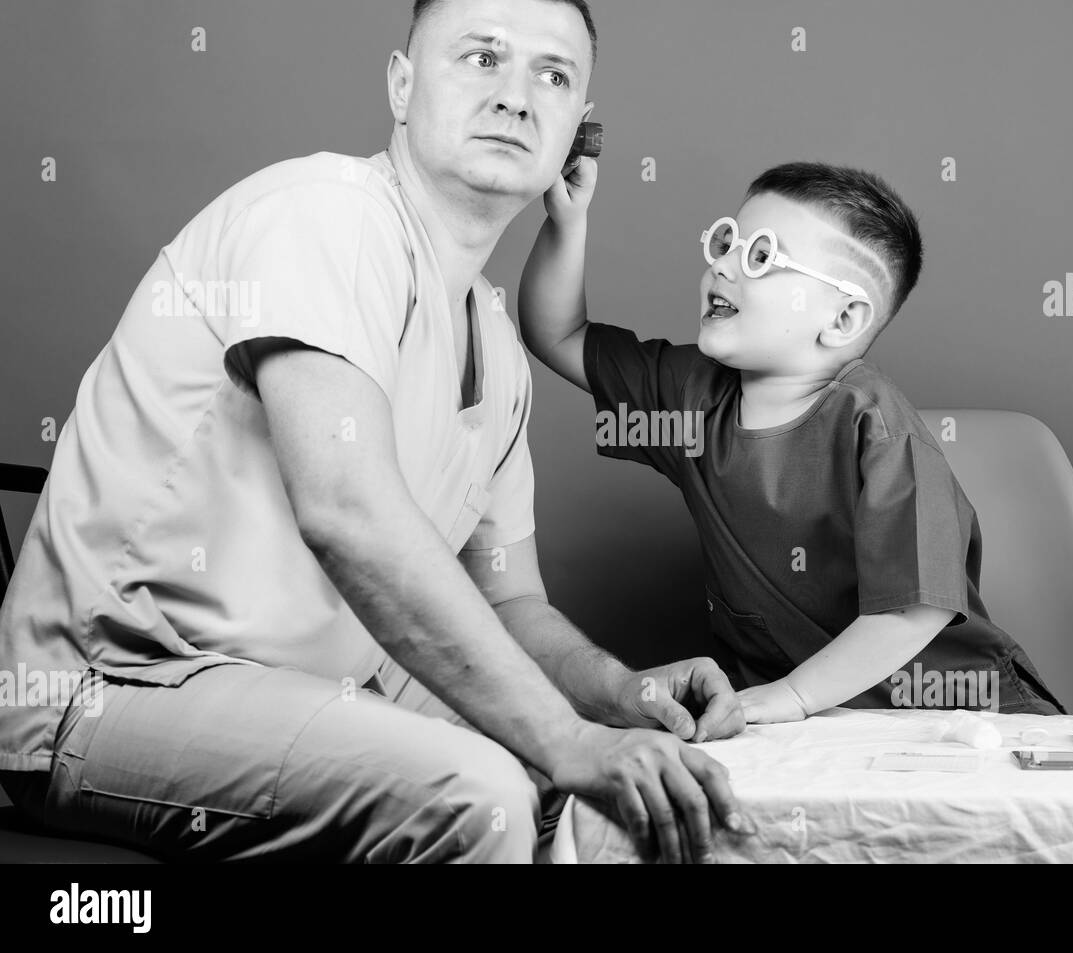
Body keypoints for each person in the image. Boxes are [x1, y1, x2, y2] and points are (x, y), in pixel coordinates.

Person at [0, 0, 755, 865]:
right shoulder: (323, 214)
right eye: (480, 57)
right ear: (401, 85)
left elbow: (510, 602)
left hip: (328, 689)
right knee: (485, 796)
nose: (516, 97)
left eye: (552, 75)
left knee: (628, 788)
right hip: (120, 685)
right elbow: (346, 510)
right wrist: (570, 740)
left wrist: (620, 695)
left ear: (575, 136)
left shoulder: (497, 348)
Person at [517, 158, 1068, 723]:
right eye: (727, 242)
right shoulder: (688, 396)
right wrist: (567, 220)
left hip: (959, 718)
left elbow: (914, 613)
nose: (724, 267)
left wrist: (795, 696)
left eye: (760, 257)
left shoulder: (880, 432)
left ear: (844, 318)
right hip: (805, 732)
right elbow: (556, 333)